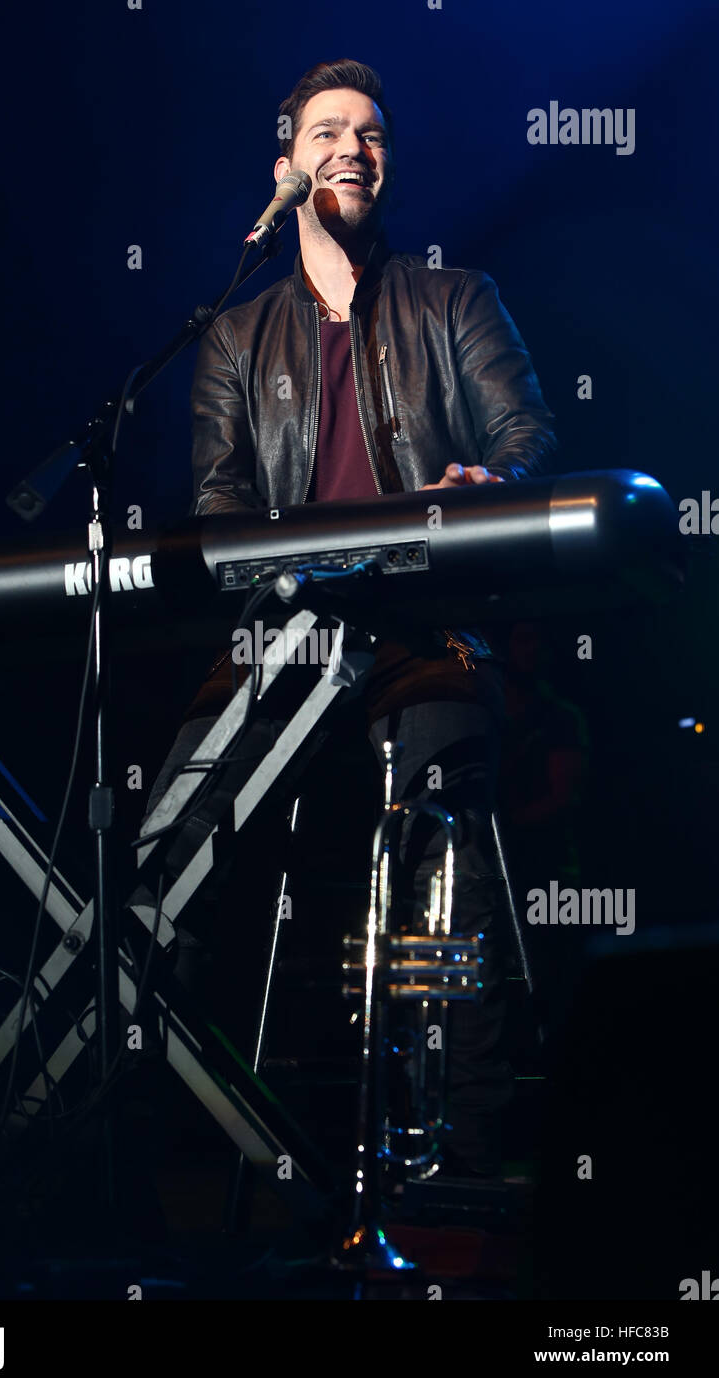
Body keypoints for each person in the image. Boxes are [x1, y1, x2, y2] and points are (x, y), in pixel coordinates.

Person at [133, 59, 557, 1179]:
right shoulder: (234, 336)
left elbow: (526, 438)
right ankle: (157, 1153)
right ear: (285, 168)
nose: (352, 148)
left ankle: (462, 1172)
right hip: (285, 634)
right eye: (327, 131)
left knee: (443, 862)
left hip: (425, 630)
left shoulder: (453, 298)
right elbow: (219, 510)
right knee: (163, 856)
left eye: (369, 133)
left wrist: (488, 482)